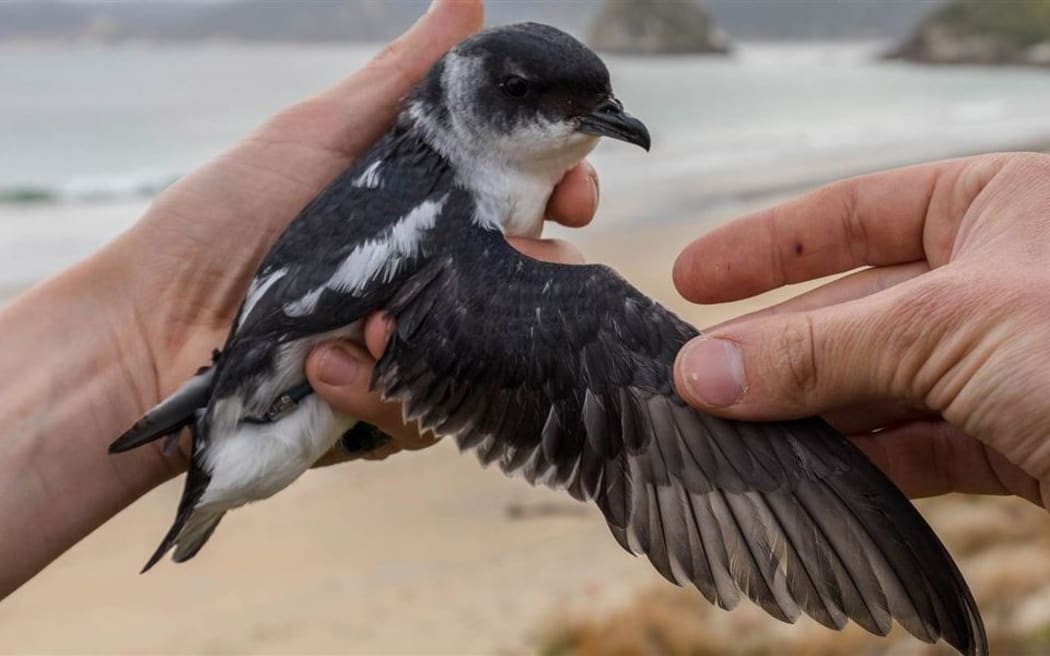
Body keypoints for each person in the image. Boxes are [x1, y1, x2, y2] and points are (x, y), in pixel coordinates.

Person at [2, 0, 1047, 600]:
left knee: (590, 334)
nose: (594, 123)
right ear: (471, 103)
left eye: (598, 108)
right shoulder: (451, 213)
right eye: (539, 102)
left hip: (239, 390)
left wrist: (159, 360)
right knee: (624, 342)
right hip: (249, 411)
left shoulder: (412, 173)